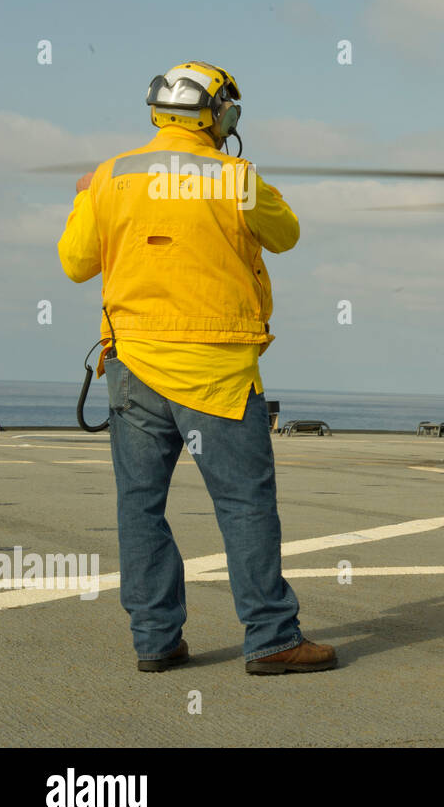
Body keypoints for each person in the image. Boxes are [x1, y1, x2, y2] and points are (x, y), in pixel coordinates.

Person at [57, 61, 336, 675]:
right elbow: (285, 234)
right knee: (244, 505)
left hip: (132, 368)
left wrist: (83, 201)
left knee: (140, 506)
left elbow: (76, 264)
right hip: (217, 371)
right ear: (214, 113)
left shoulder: (110, 177)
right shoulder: (234, 176)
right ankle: (271, 639)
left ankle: (155, 641)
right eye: (230, 109)